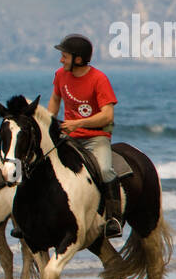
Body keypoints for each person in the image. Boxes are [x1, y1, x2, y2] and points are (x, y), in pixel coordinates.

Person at [48, 33, 122, 238]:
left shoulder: (99, 79)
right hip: (69, 137)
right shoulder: (60, 75)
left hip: (95, 138)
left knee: (105, 170)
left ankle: (114, 218)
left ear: (78, 59)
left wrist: (78, 123)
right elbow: (55, 99)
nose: (61, 60)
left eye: (65, 56)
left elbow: (107, 115)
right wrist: (49, 121)